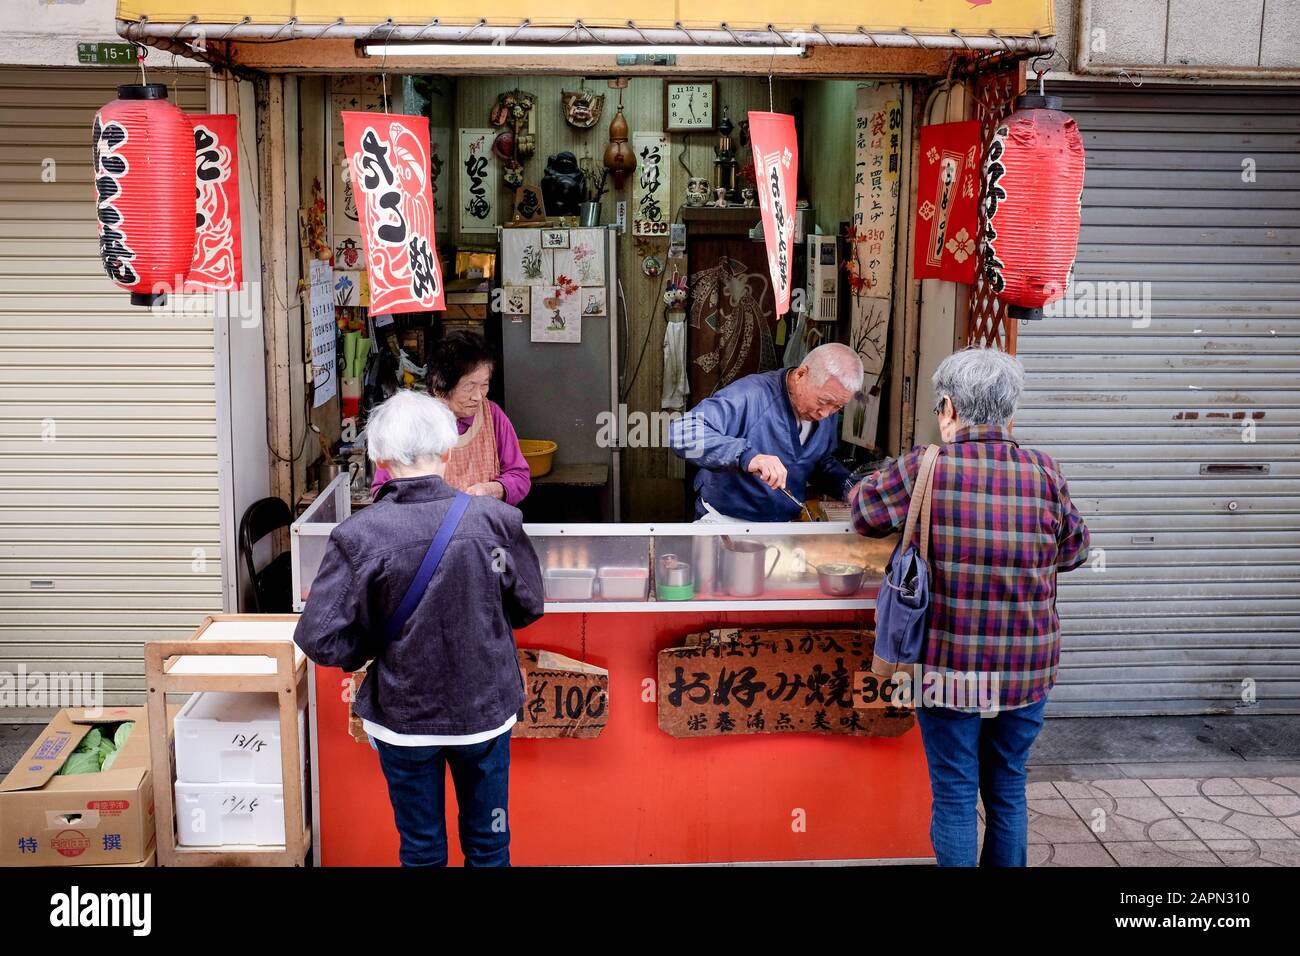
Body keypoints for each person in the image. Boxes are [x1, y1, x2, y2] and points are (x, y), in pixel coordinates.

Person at [848, 347, 1090, 867]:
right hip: (1027, 666)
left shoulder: (925, 465)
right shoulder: (1045, 472)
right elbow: (1075, 550)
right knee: (1007, 789)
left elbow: (864, 514)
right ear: (1010, 412)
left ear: (950, 408)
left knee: (956, 794)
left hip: (947, 670)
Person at [295, 389, 545, 867]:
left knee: (422, 848)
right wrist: (481, 621)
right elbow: (528, 603)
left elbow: (319, 637)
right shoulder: (497, 519)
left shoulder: (358, 535)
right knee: (490, 844)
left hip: (404, 718)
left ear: (379, 458)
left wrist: (369, 648)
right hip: (484, 712)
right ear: (450, 452)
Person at [667, 343, 865, 521]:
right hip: (726, 522)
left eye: (837, 407)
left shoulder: (823, 413)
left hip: (781, 527)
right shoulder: (751, 395)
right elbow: (683, 432)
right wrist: (747, 456)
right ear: (801, 374)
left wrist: (847, 485)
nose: (825, 413)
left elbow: (819, 462)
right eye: (823, 402)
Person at [371, 330, 531, 505]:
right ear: (440, 388)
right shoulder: (411, 421)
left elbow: (519, 475)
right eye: (469, 386)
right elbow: (382, 490)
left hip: (481, 525)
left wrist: (494, 489)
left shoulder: (492, 415)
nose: (478, 396)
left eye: (484, 385)